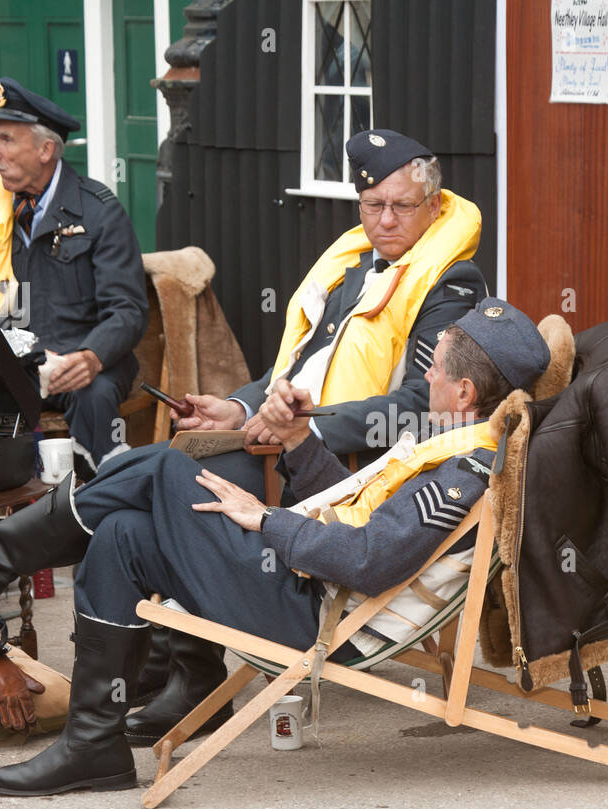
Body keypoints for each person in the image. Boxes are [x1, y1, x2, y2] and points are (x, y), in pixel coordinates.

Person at [0, 297, 548, 796]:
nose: (425, 372)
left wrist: (265, 520)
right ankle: (94, 744)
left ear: (464, 392)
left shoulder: (462, 478)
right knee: (125, 533)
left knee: (162, 469)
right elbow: (350, 513)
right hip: (297, 588)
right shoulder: (446, 449)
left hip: (308, 615)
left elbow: (365, 560)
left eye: (435, 365)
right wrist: (298, 441)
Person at [123, 127, 487, 744]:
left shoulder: (451, 284)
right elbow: (299, 366)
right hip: (287, 442)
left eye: (403, 205)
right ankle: (165, 663)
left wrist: (298, 423)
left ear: (434, 205)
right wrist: (239, 408)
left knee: (178, 483)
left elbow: (420, 409)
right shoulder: (353, 268)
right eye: (373, 206)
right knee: (165, 469)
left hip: (354, 464)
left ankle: (188, 673)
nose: (387, 219)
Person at [0, 77, 147, 476]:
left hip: (82, 359)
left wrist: (93, 355)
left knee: (94, 395)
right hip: (17, 362)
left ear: (46, 150)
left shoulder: (99, 212)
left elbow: (128, 309)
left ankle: (103, 505)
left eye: (6, 140)